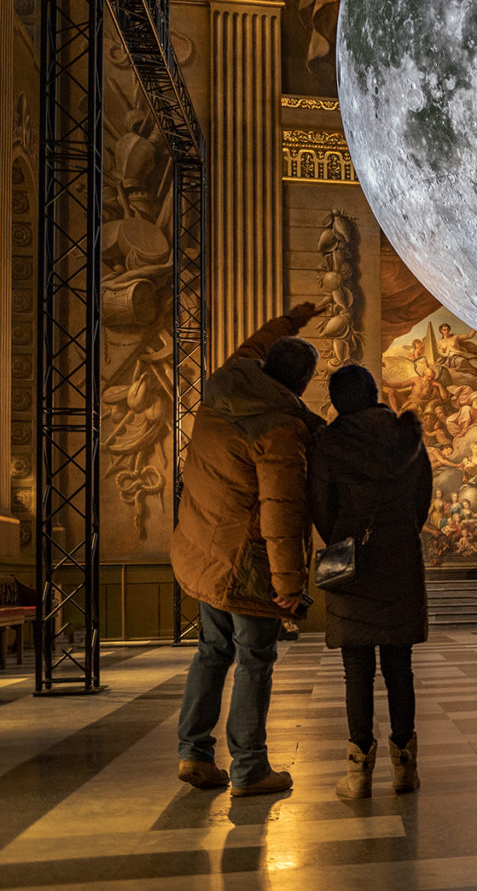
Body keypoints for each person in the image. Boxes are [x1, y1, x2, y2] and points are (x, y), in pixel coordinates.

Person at [169, 304, 322, 797]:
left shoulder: (226, 384)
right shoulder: (279, 429)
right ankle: (250, 767)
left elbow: (255, 344)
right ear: (302, 384)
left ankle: (193, 754)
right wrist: (290, 589)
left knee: (212, 652)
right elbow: (281, 515)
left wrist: (292, 319)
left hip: (202, 551)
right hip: (245, 568)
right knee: (255, 657)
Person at [307, 365, 433, 799]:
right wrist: (397, 534)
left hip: (352, 566)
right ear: (375, 393)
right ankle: (405, 771)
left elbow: (320, 507)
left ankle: (359, 774)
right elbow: (423, 502)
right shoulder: (407, 437)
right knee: (400, 668)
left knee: (356, 672)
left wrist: (346, 540)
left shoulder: (328, 444)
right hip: (400, 560)